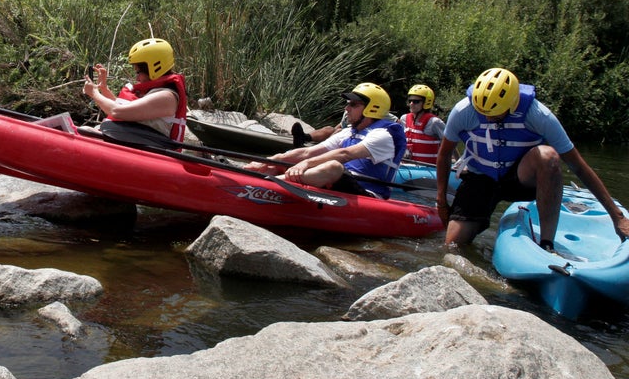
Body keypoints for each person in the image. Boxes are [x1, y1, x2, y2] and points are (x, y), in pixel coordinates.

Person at [436, 67, 629, 248]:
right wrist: (441, 200)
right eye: (483, 113)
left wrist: (617, 217)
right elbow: (445, 154)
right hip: (481, 177)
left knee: (548, 155)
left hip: (520, 178)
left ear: (512, 103)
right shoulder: (463, 111)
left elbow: (577, 165)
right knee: (453, 246)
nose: (487, 119)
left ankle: (547, 243)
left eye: (494, 114)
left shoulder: (538, 115)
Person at [243, 83, 407, 199]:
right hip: (340, 182)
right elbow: (308, 151)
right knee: (279, 161)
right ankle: (244, 174)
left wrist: (306, 164)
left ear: (373, 109)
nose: (346, 108)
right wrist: (272, 160)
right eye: (348, 103)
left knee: (333, 166)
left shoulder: (383, 135)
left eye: (353, 104)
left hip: (366, 192)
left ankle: (263, 186)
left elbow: (344, 154)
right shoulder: (350, 131)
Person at [82, 37, 188, 149]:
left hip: (147, 150)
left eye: (138, 72)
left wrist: (94, 93)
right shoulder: (155, 91)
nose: (137, 77)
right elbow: (127, 109)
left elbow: (117, 111)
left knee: (85, 131)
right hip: (133, 141)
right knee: (83, 131)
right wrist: (103, 89)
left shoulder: (167, 98)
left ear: (154, 68)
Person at [403, 84, 446, 165]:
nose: (411, 104)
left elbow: (450, 143)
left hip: (428, 169)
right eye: (410, 101)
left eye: (416, 101)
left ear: (426, 103)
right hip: (407, 166)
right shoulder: (404, 119)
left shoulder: (434, 122)